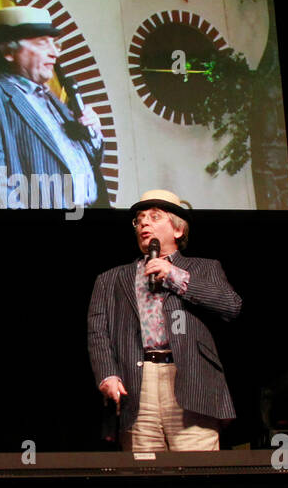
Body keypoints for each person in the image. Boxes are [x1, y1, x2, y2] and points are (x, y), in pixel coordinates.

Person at [87, 189, 241, 450]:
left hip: (191, 381)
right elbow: (97, 332)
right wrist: (107, 375)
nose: (144, 223)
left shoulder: (205, 268)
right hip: (136, 384)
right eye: (139, 219)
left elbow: (231, 305)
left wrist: (174, 275)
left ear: (178, 230)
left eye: (155, 216)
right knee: (146, 477)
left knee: (197, 474)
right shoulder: (110, 279)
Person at [0, 6, 107, 209]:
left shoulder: (49, 96)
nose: (54, 53)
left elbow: (90, 161)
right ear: (8, 51)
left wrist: (93, 134)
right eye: (43, 44)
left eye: (55, 44)